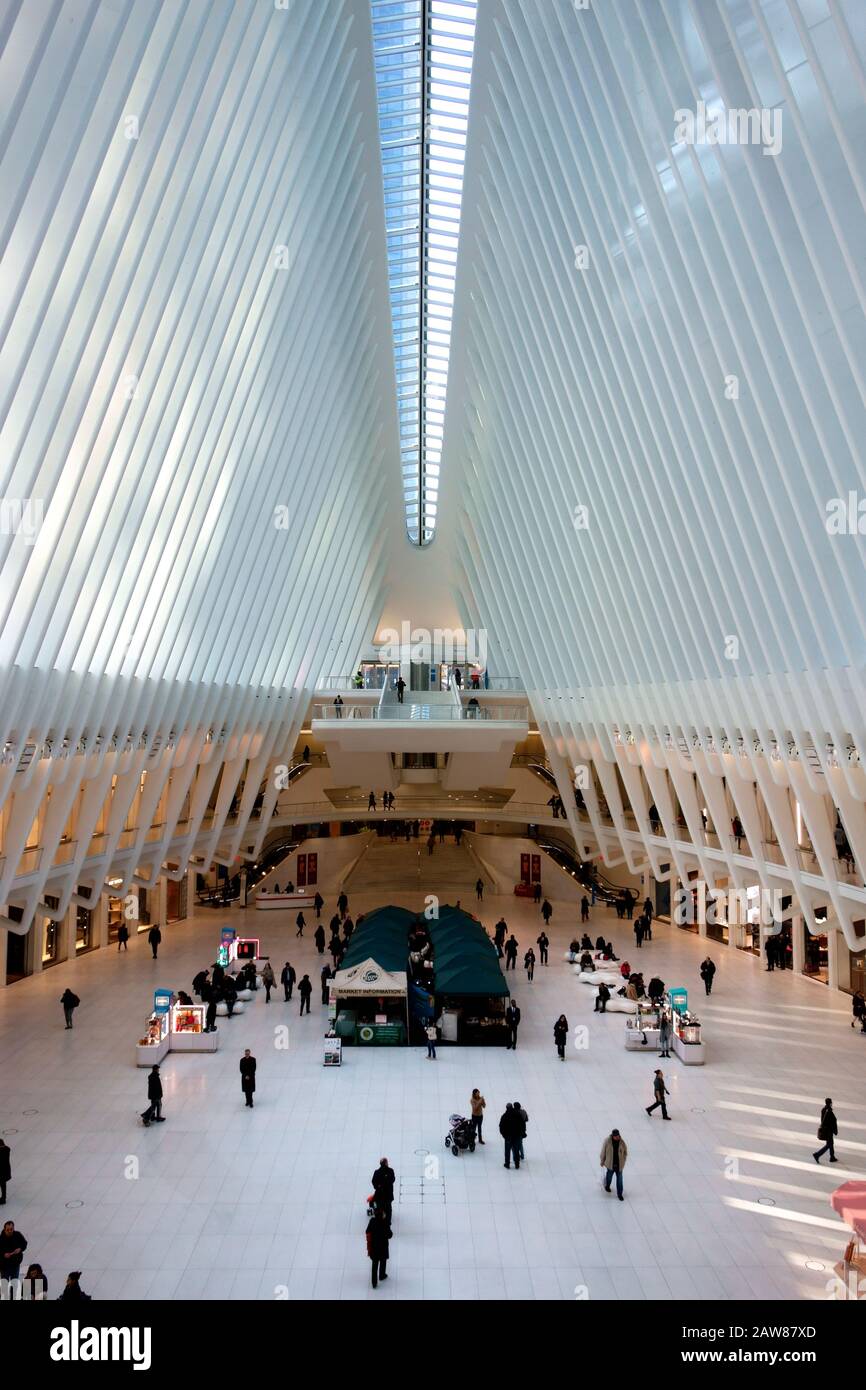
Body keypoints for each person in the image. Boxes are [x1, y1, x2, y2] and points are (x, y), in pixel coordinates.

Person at [366, 1206, 392, 1288]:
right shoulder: (385, 1223)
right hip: (383, 1247)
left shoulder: (372, 1221)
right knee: (383, 1261)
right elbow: (390, 1235)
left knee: (374, 1265)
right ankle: (382, 1275)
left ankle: (374, 1283)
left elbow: (367, 1231)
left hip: (374, 1246)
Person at [600, 1129, 627, 1200]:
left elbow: (625, 1152)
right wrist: (602, 1161)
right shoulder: (607, 1141)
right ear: (612, 1136)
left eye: (618, 1136)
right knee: (609, 1177)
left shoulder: (622, 1142)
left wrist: (623, 1161)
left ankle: (620, 1194)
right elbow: (603, 1152)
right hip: (610, 1164)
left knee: (620, 1180)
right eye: (615, 1136)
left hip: (619, 1166)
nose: (617, 1137)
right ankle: (607, 1186)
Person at [814, 1098, 838, 1164]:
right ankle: (817, 1154)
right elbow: (832, 1121)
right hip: (829, 1130)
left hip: (826, 1129)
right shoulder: (829, 1111)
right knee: (829, 1144)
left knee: (831, 1143)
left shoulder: (823, 1109)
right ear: (830, 1103)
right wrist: (834, 1130)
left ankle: (832, 1157)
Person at [499, 1103, 520, 1169]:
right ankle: (517, 1164)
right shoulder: (517, 1115)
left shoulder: (504, 1116)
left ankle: (507, 1164)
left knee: (507, 1151)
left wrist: (504, 1135)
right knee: (516, 1150)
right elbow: (521, 1125)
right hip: (516, 1136)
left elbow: (501, 1126)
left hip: (508, 1137)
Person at [0, 1138, 10, 1205]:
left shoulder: (1, 1152)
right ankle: (3, 1198)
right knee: (3, 1185)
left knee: (2, 1185)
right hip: (5, 1171)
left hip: (1, 1171)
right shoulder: (7, 1149)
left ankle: (3, 1199)